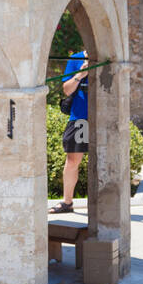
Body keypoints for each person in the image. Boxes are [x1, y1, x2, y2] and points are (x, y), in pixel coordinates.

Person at [54, 48, 90, 214]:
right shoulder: (76, 59)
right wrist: (81, 74)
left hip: (103, 117)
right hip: (80, 118)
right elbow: (67, 90)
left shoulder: (108, 57)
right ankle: (67, 202)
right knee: (72, 161)